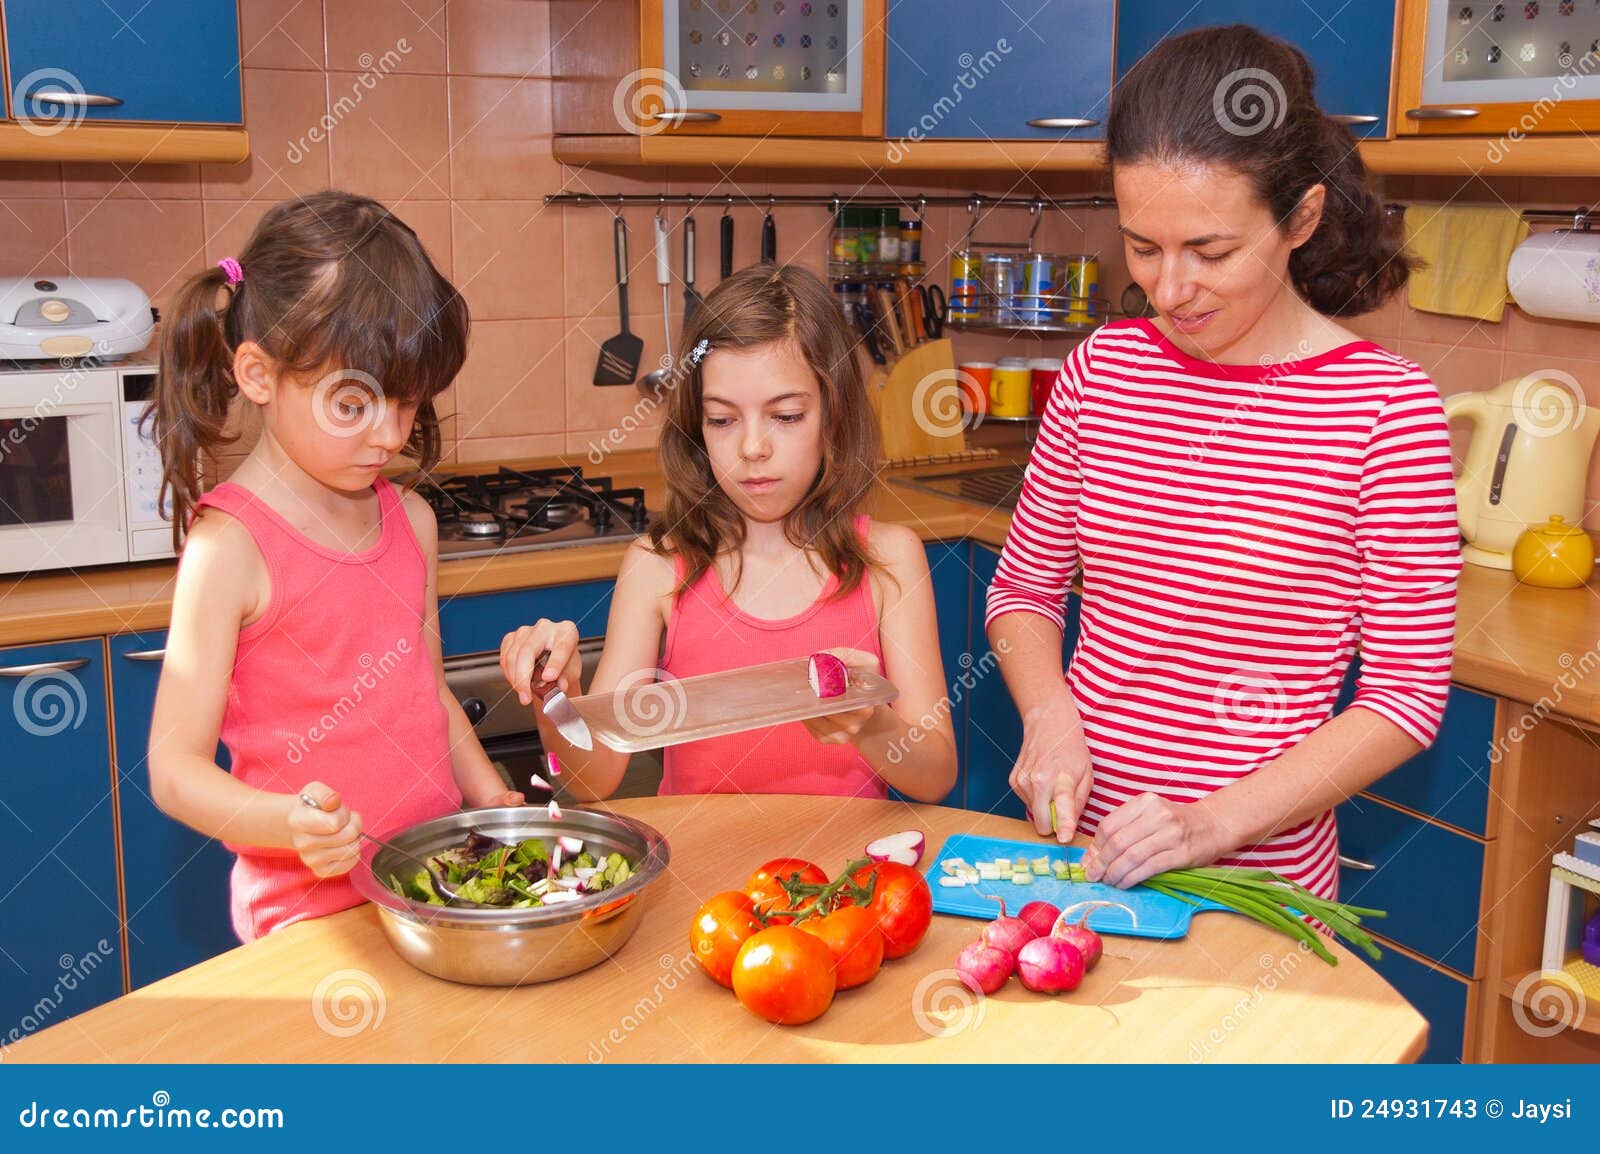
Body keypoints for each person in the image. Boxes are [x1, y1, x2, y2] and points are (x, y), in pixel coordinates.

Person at [985, 25, 1462, 899]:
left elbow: (1404, 698)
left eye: (1210, 252)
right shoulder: (1101, 369)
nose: (1169, 290)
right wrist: (1049, 716)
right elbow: (1022, 590)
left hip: (1258, 888)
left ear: (1302, 219)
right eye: (1142, 246)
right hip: (1078, 862)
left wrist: (1211, 823)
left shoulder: (1385, 407)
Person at [146, 191, 522, 941]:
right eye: (353, 406)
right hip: (308, 917)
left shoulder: (410, 521)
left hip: (439, 889)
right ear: (258, 374)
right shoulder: (230, 547)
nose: (388, 435)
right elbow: (173, 771)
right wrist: (288, 823)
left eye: (408, 404)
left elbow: (427, 694)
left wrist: (494, 802)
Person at [500, 264, 957, 803]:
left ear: (833, 416)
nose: (752, 448)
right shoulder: (655, 567)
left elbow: (936, 775)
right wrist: (559, 696)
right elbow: (592, 781)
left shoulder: (888, 559)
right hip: (704, 884)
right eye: (722, 420)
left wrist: (870, 723)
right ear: (696, 426)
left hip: (842, 882)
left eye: (785, 416)